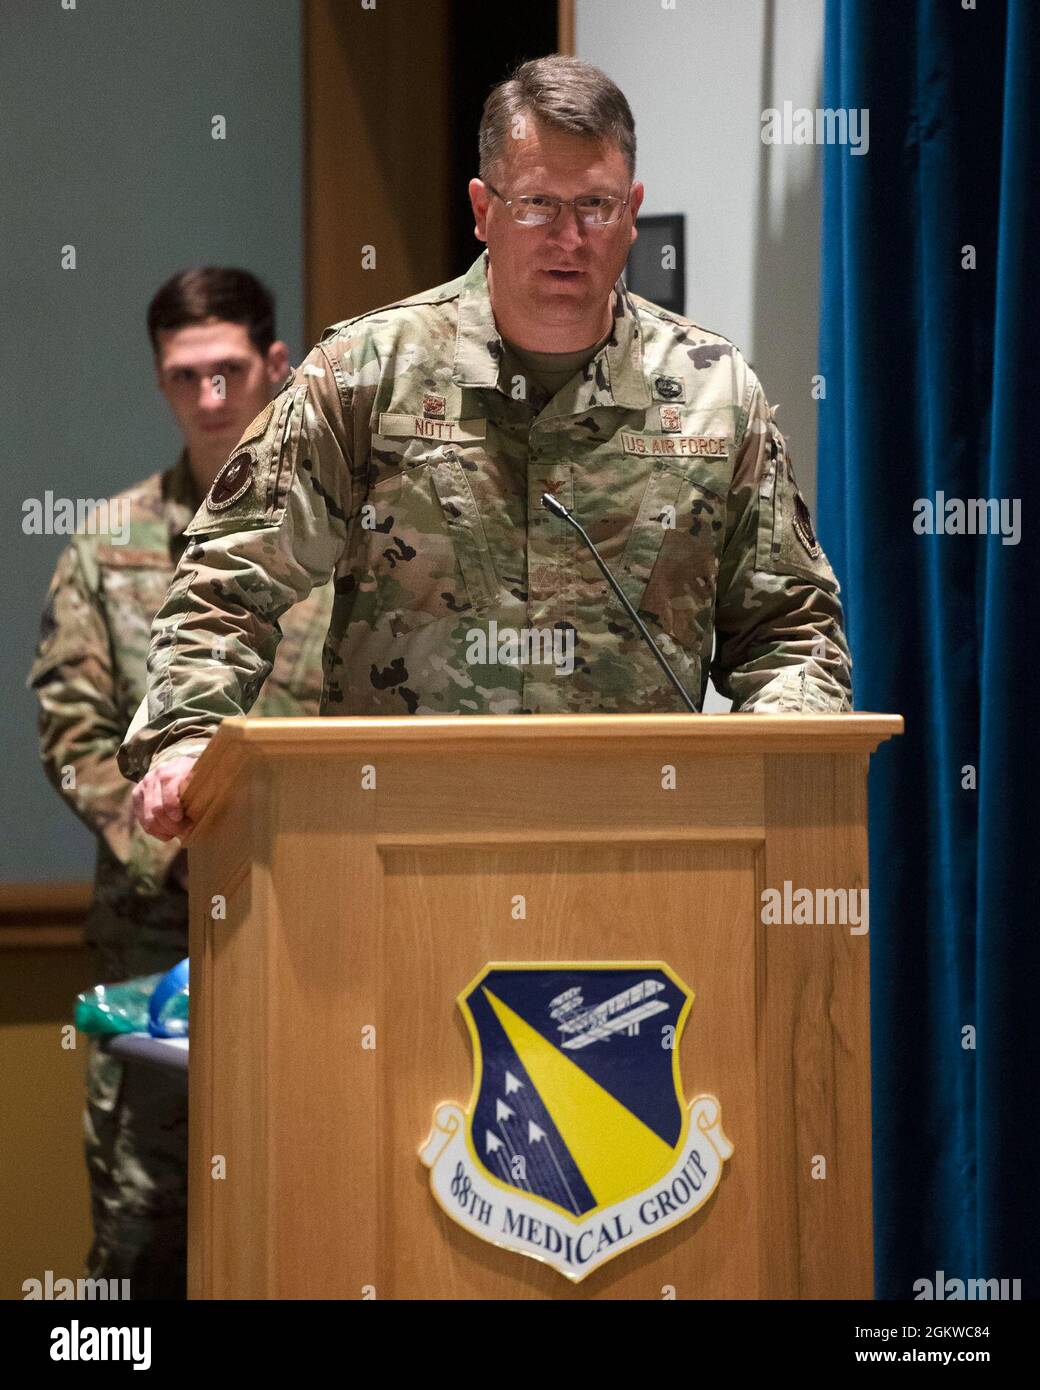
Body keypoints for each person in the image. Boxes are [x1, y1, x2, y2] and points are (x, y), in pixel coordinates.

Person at [119, 55, 852, 844]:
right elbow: (227, 584)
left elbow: (789, 627)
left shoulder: (714, 393)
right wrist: (187, 737)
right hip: (397, 845)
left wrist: (790, 756)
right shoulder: (370, 376)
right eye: (537, 204)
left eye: (596, 206)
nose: (569, 238)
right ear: (483, 208)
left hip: (641, 848)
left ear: (633, 211)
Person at [28, 267, 333, 1298]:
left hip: (315, 927)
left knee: (319, 1211)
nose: (209, 397)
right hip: (156, 933)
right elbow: (73, 731)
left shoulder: (343, 543)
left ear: (274, 367)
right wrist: (175, 838)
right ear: (161, 385)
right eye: (184, 376)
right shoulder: (106, 548)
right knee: (144, 1232)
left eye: (228, 370)